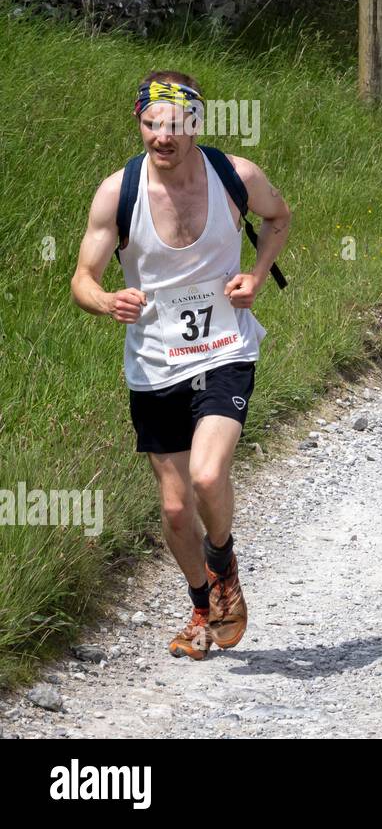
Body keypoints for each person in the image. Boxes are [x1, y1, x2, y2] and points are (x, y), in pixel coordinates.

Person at [71, 71, 291, 659]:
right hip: (154, 362)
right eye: (150, 125)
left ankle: (222, 563)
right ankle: (203, 605)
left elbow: (279, 217)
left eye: (173, 126)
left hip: (224, 349)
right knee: (173, 507)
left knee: (207, 476)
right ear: (139, 122)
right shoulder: (118, 192)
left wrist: (259, 274)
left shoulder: (234, 176)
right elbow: (81, 280)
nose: (161, 138)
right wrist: (106, 300)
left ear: (195, 123)